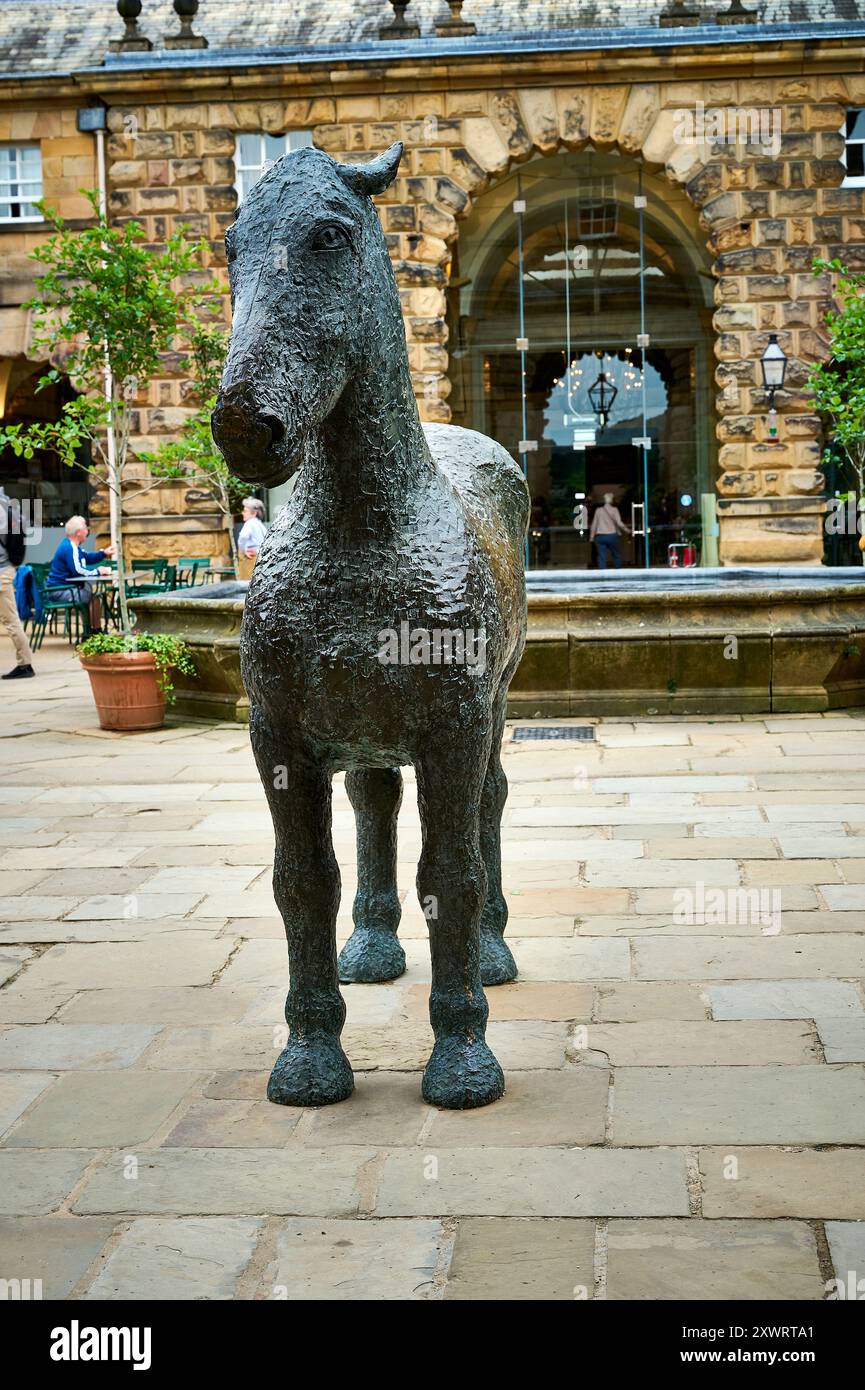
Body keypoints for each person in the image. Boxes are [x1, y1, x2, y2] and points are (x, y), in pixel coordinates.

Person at [47, 516, 116, 634]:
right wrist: (98, 571)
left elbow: (87, 557)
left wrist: (103, 553)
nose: (87, 531)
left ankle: (91, 631)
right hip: (59, 590)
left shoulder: (73, 546)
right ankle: (94, 632)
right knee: (93, 599)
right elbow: (77, 571)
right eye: (85, 528)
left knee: (89, 597)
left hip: (63, 588)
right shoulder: (69, 548)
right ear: (78, 532)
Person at [0, 486, 35, 679]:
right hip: (7, 567)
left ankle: (25, 664)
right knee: (10, 619)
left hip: (1, 570)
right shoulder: (9, 507)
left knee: (11, 620)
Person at [589, 491, 631, 570]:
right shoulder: (614, 510)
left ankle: (602, 574)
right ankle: (617, 573)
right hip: (612, 536)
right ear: (612, 500)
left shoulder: (598, 510)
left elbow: (594, 524)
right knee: (616, 555)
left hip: (600, 536)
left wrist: (591, 537)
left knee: (601, 557)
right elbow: (619, 523)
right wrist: (627, 530)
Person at [236, 497, 267, 581]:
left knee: (246, 584)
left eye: (245, 511)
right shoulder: (260, 524)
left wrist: (243, 550)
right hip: (260, 558)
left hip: (250, 559)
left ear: (254, 513)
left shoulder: (249, 523)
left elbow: (243, 537)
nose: (242, 513)